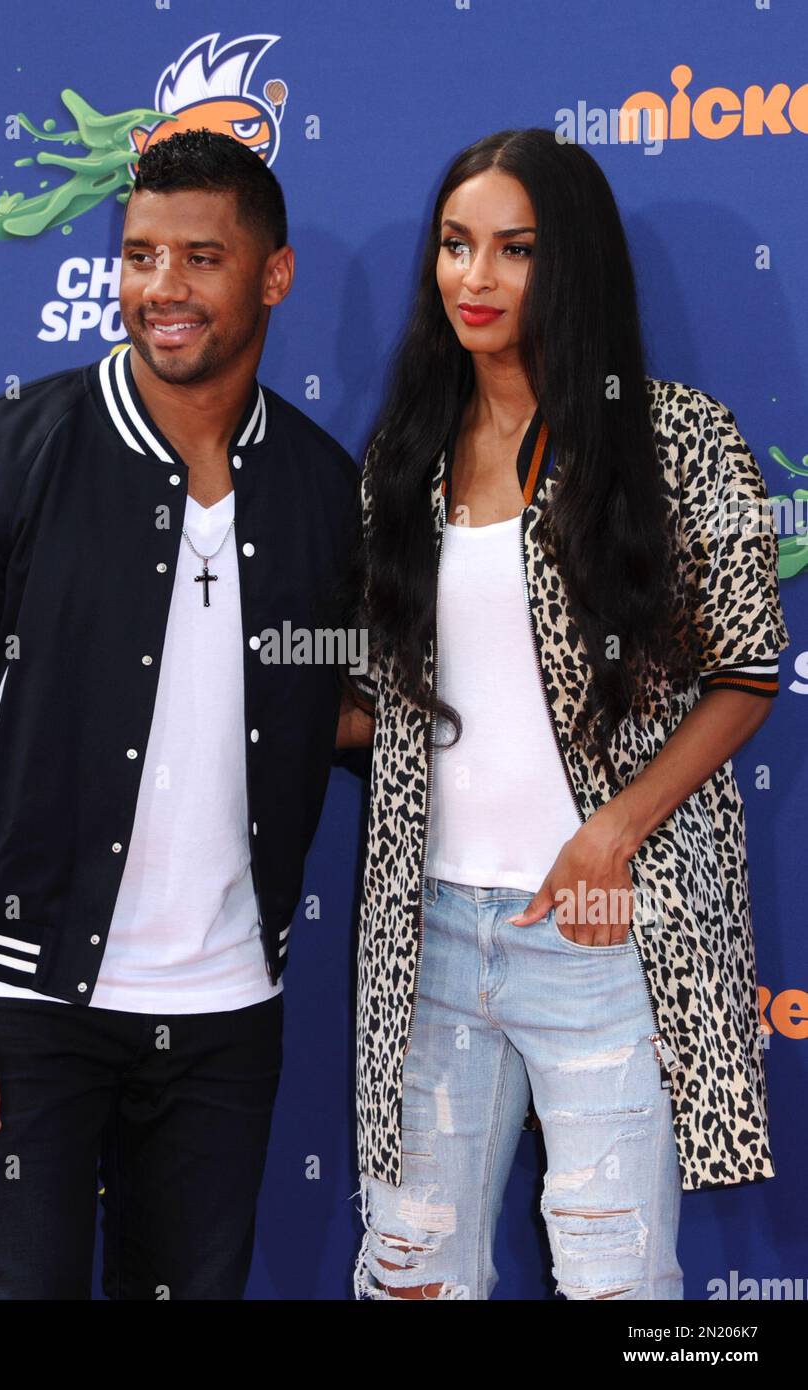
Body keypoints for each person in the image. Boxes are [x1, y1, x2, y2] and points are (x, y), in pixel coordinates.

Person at [0, 129, 360, 1300]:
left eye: (200, 258)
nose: (161, 289)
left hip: (228, 1017)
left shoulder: (326, 489)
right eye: (140, 256)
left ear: (274, 275)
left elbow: (352, 706)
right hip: (20, 1005)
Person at [337, 128, 790, 1300]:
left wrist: (610, 834)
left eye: (515, 249)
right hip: (429, 935)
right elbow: (382, 701)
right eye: (455, 245)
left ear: (571, 261)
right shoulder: (404, 455)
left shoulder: (676, 436)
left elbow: (747, 668)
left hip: (598, 925)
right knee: (410, 1276)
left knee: (615, 1281)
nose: (474, 277)